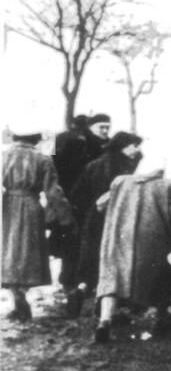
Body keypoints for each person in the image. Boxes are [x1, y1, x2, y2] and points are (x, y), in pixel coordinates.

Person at [93, 164, 171, 343]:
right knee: (158, 277)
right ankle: (161, 317)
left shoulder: (120, 181)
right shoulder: (168, 186)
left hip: (119, 237)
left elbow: (100, 204)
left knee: (112, 280)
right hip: (151, 238)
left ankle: (104, 321)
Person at [70, 132, 143, 317]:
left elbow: (77, 194)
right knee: (115, 260)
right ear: (123, 146)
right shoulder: (127, 169)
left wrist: (92, 208)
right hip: (119, 220)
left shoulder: (93, 165)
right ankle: (106, 302)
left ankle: (81, 288)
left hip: (95, 217)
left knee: (92, 257)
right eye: (134, 146)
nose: (136, 150)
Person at [3, 128, 71, 321]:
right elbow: (53, 192)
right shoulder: (42, 159)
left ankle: (16, 294)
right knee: (27, 252)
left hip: (7, 206)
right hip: (32, 206)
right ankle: (21, 293)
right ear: (36, 139)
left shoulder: (3, 156)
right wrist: (64, 217)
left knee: (10, 250)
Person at [52, 115, 92, 299]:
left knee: (66, 243)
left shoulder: (60, 139)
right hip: (80, 201)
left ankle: (66, 281)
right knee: (78, 242)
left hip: (63, 200)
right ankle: (76, 281)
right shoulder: (83, 142)